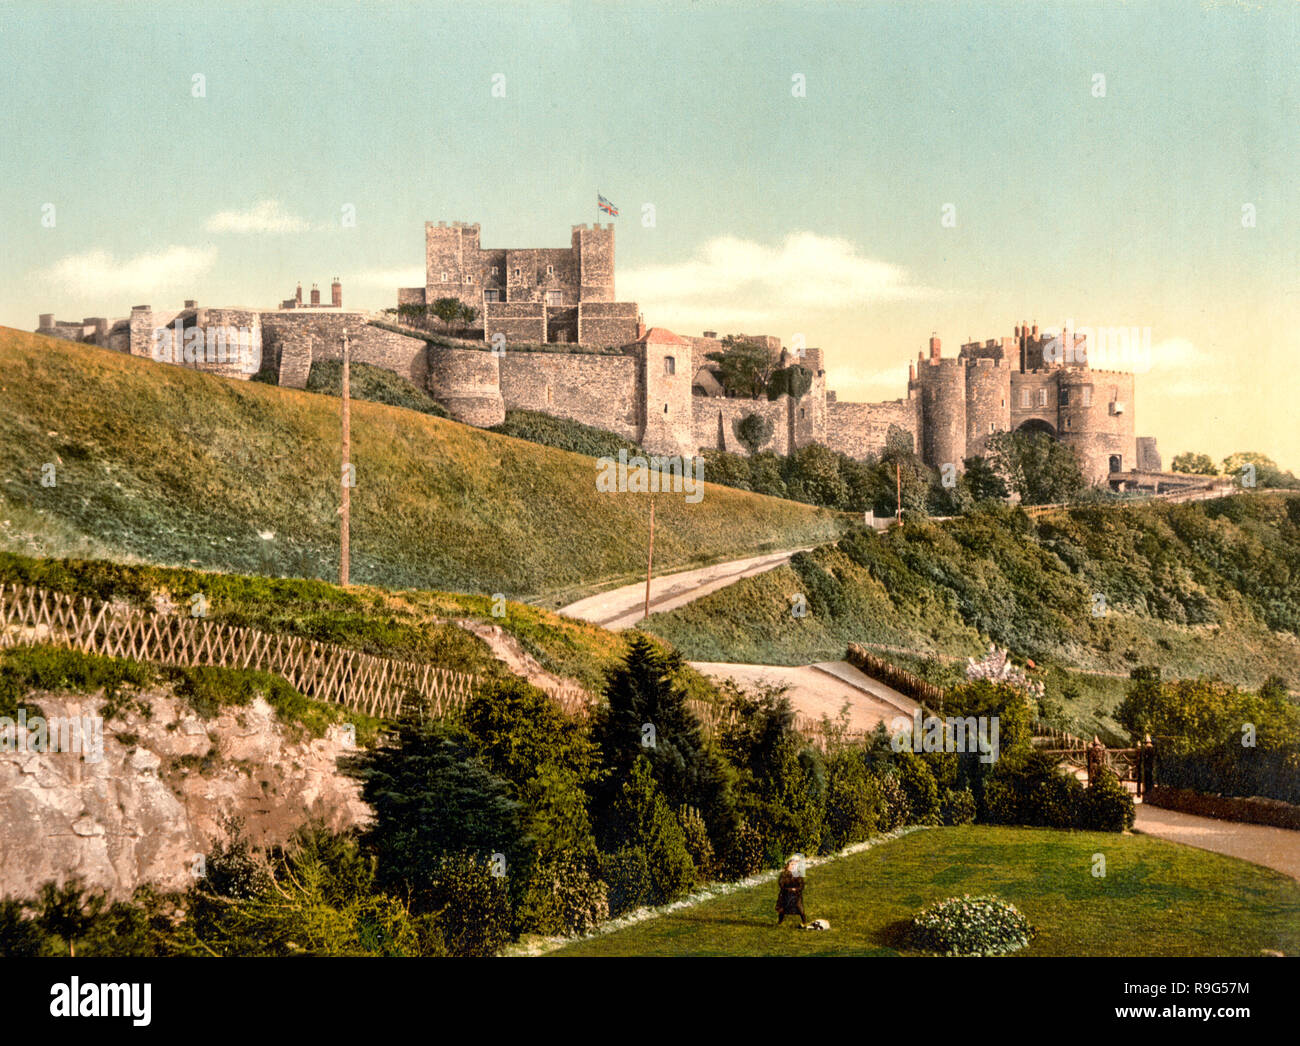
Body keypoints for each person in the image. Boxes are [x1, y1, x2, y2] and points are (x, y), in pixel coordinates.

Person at [775, 856, 807, 926]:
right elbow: (781, 884)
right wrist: (788, 889)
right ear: (788, 865)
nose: (793, 866)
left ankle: (804, 921)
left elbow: (801, 885)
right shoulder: (784, 874)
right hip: (785, 894)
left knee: (799, 908)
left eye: (795, 865)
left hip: (796, 895)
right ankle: (780, 921)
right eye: (791, 864)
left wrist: (796, 889)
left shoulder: (798, 874)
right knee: (783, 909)